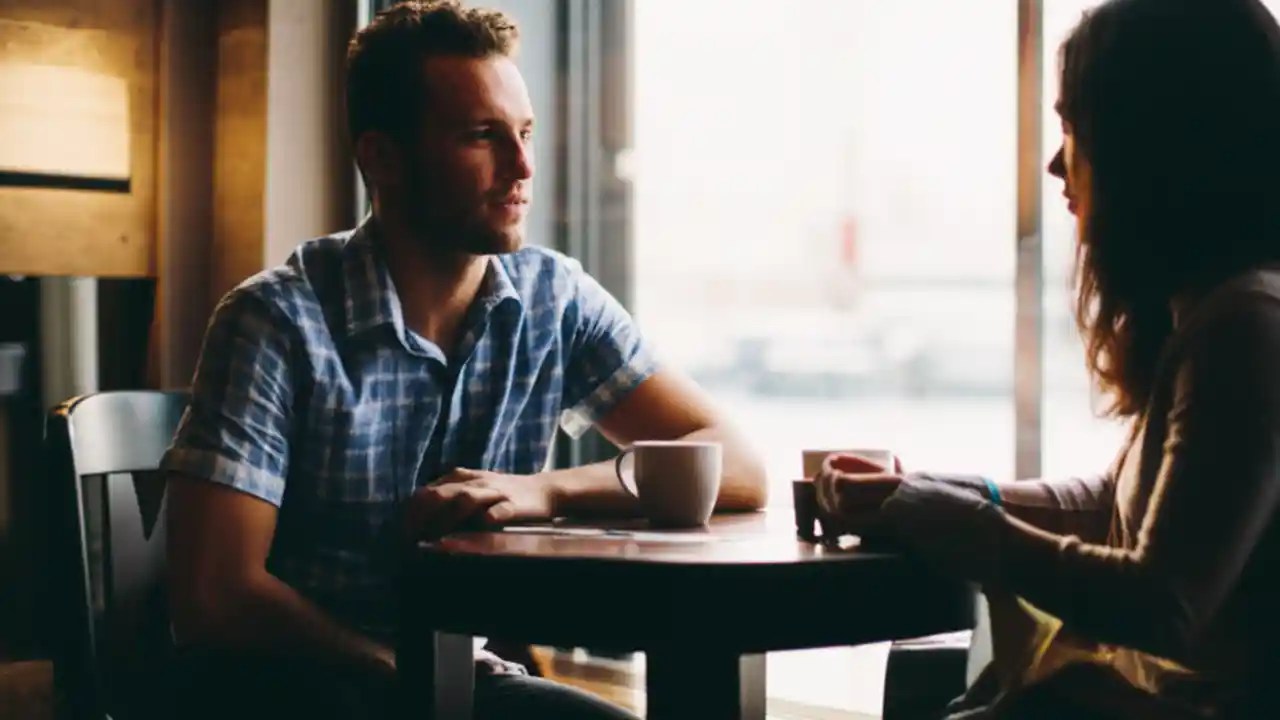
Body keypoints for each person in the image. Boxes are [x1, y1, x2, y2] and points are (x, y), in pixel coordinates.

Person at [160, 2, 767, 717]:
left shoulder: (555, 299)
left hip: (461, 679)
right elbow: (216, 597)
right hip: (289, 682)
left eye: (526, 132)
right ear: (381, 157)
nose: (523, 166)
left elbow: (737, 467)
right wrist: (401, 671)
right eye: (483, 136)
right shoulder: (276, 320)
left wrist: (550, 491)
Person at [817, 0, 1280, 717]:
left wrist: (968, 525)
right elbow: (1111, 506)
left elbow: (1164, 602)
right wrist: (944, 496)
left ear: (1151, 148)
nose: (1057, 162)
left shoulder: (1245, 326)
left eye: (1075, 128)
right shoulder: (1216, 310)